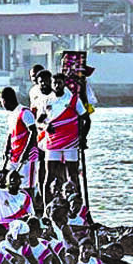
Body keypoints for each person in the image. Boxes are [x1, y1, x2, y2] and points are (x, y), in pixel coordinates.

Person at [41, 72, 90, 201]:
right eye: (54, 83)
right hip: (52, 143)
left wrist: (83, 138)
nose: (57, 85)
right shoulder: (46, 100)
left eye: (59, 83)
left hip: (71, 143)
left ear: (64, 84)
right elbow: (39, 121)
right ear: (51, 84)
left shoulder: (73, 99)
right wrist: (45, 126)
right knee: (50, 176)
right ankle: (48, 209)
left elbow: (86, 119)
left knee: (73, 175)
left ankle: (78, 207)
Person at [0, 87, 39, 193]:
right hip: (14, 156)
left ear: (4, 100)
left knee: (27, 187)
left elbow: (33, 132)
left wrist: (25, 153)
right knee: (7, 183)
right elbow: (10, 134)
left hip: (28, 157)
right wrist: (6, 148)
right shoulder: (11, 115)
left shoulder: (24, 112)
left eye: (1, 101)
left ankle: (30, 208)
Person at [0, 157, 33, 226]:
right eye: (11, 180)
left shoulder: (25, 197)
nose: (14, 182)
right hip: (2, 227)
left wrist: (26, 217)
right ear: (6, 182)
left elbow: (31, 215)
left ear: (20, 182)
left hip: (18, 226)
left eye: (17, 179)